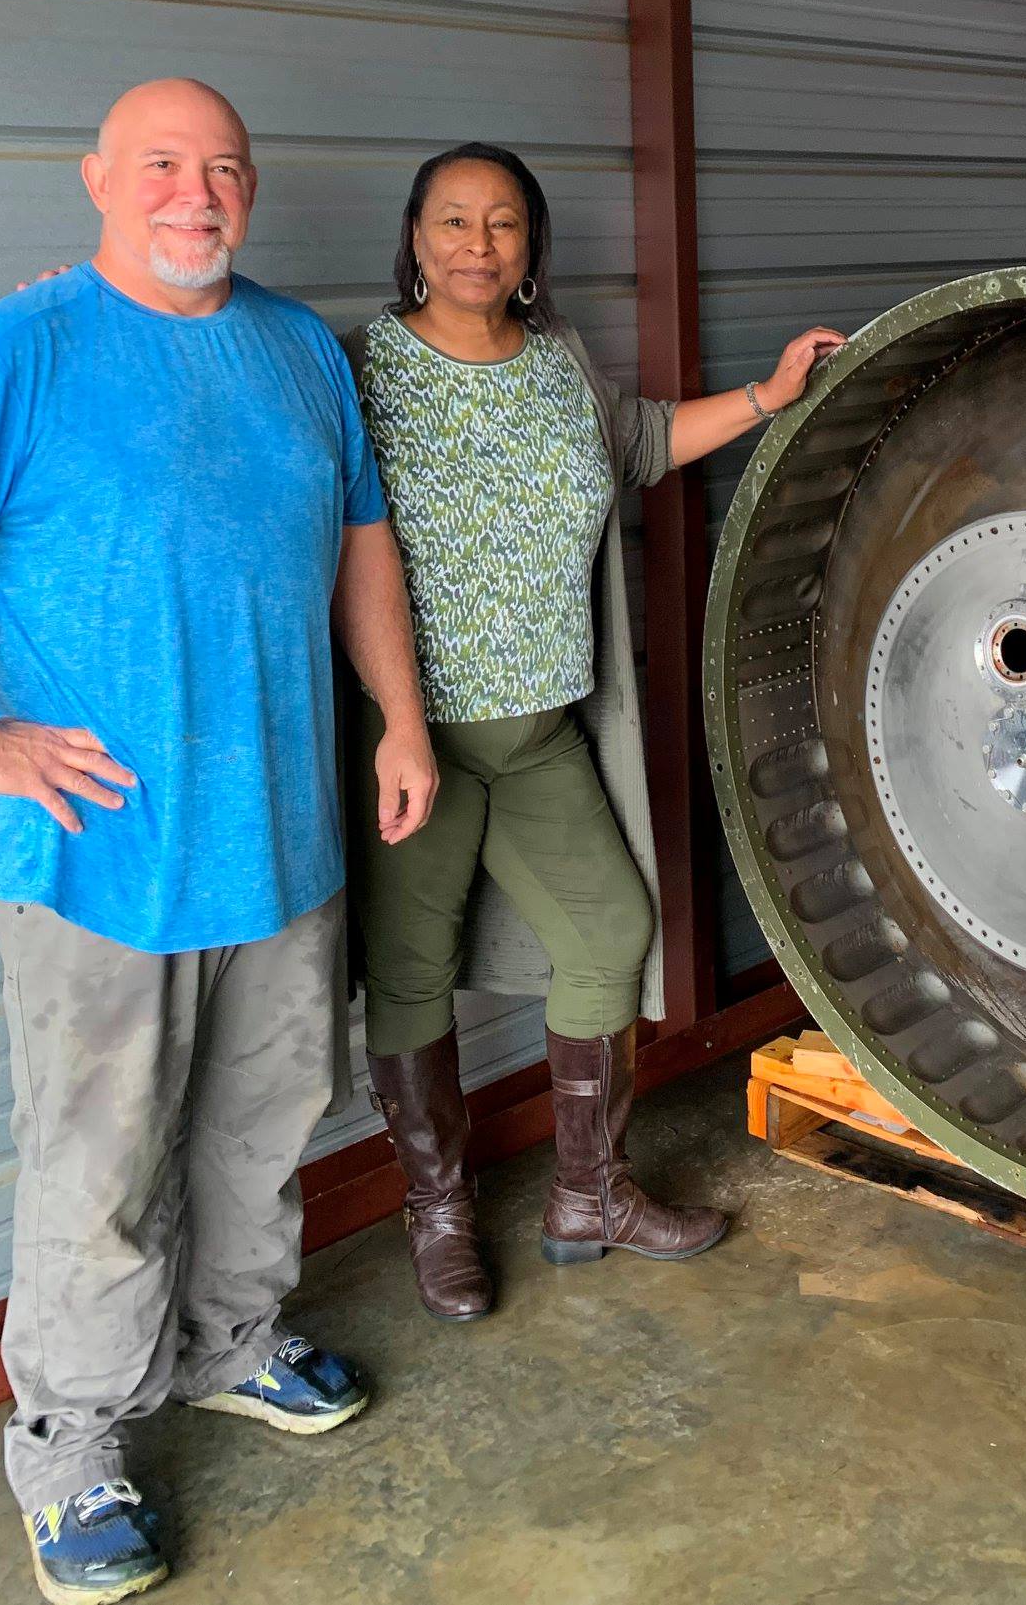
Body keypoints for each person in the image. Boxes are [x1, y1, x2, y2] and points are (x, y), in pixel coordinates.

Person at [0, 79, 436, 1605]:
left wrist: (401, 721)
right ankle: (74, 1445)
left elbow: (361, 543)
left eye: (224, 167)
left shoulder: (299, 350)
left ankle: (233, 1343)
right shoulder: (20, 349)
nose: (196, 193)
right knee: (93, 1160)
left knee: (264, 1119)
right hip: (100, 858)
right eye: (162, 163)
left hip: (282, 842)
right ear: (98, 175)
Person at [343, 143, 845, 1320]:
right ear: (414, 239)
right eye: (454, 221)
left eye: (503, 223)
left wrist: (771, 395)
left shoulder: (560, 360)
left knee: (612, 927)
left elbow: (644, 441)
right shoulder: (361, 372)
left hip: (539, 732)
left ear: (531, 248)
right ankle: (440, 1212)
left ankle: (590, 1193)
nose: (478, 244)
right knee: (410, 971)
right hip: (416, 738)